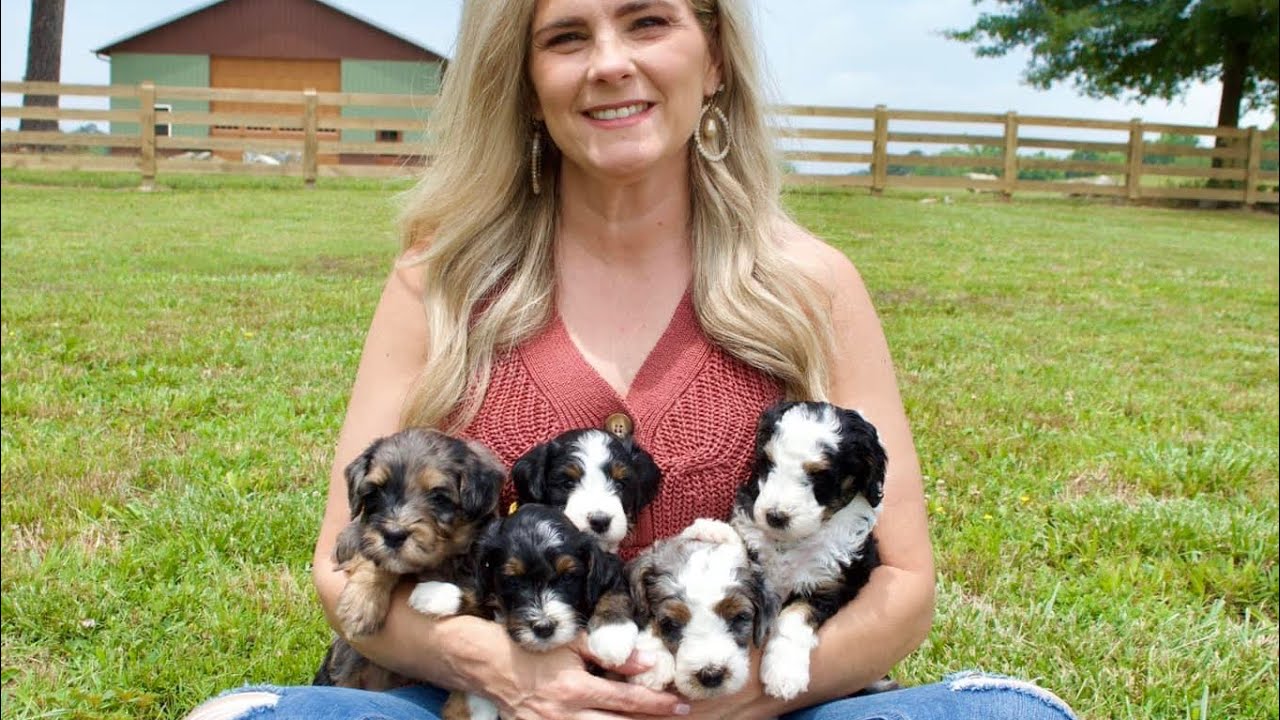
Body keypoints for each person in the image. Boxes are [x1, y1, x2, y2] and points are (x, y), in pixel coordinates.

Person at [185, 1, 1079, 719]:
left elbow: (904, 584)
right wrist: (505, 669)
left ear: (715, 55)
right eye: (566, 36)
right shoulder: (439, 281)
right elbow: (341, 564)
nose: (608, 62)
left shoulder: (813, 284)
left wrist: (740, 694)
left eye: (647, 21)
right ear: (527, 84)